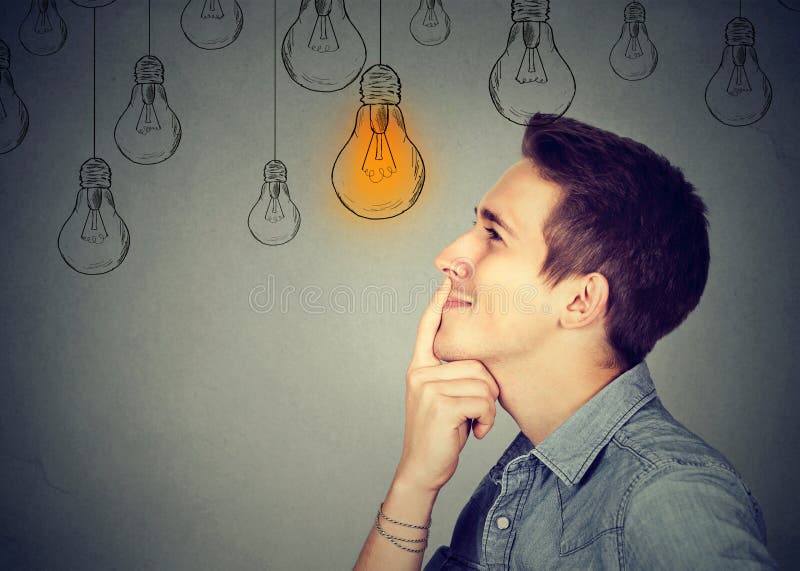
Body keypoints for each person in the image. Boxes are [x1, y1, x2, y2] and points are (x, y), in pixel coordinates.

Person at [353, 115, 778, 570]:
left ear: (580, 300)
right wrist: (414, 483)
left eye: (494, 234)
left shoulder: (668, 497)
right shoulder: (525, 478)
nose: (448, 258)